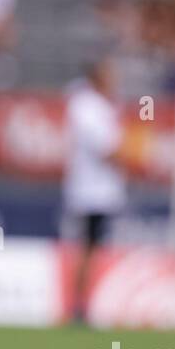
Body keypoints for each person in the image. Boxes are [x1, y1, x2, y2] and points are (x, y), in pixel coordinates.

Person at [63, 58, 125, 325]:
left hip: (99, 189)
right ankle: (79, 306)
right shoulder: (87, 106)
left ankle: (83, 304)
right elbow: (105, 148)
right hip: (91, 190)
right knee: (88, 248)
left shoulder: (99, 105)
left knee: (92, 248)